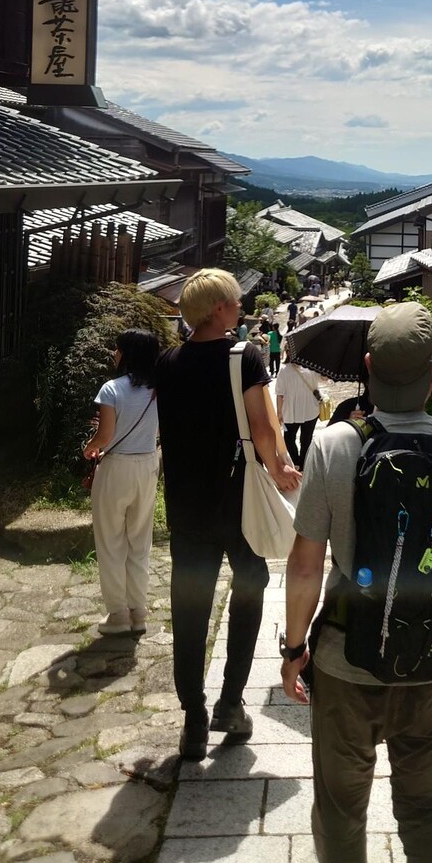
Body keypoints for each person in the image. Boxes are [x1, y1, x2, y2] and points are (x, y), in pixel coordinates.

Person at [281, 303, 432, 863]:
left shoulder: (336, 444)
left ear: (367, 366)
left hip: (344, 658)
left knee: (340, 812)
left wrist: (293, 650)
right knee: (428, 813)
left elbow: (306, 564)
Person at [155, 269, 301, 760]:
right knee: (252, 579)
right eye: (236, 302)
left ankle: (193, 718)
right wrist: (281, 469)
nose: (241, 308)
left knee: (189, 606)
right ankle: (230, 702)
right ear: (218, 308)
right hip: (234, 498)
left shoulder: (168, 361)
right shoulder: (246, 357)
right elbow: (261, 428)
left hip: (185, 501)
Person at [83, 328, 161, 636]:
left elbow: (103, 438)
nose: (114, 354)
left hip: (116, 468)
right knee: (139, 540)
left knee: (111, 541)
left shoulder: (111, 389)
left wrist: (88, 447)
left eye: (118, 349)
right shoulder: (159, 389)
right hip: (147, 465)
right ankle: (138, 611)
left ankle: (117, 614)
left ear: (127, 354)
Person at [275, 350, 322, 469]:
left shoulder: (312, 367)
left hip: (306, 410)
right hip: (295, 411)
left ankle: (301, 463)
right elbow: (280, 393)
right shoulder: (285, 370)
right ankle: (298, 462)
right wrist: (279, 412)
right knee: (291, 439)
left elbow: (324, 378)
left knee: (304, 439)